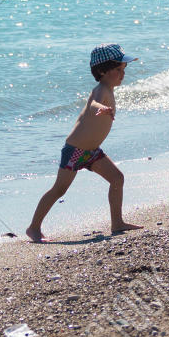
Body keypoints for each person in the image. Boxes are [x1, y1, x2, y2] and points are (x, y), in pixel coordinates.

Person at [26, 44, 142, 241]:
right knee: (59, 189)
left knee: (117, 178)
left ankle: (117, 222)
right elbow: (93, 103)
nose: (123, 74)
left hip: (92, 152)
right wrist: (101, 108)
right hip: (75, 151)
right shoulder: (101, 89)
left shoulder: (109, 89)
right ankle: (33, 228)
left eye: (124, 69)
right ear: (102, 71)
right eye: (118, 69)